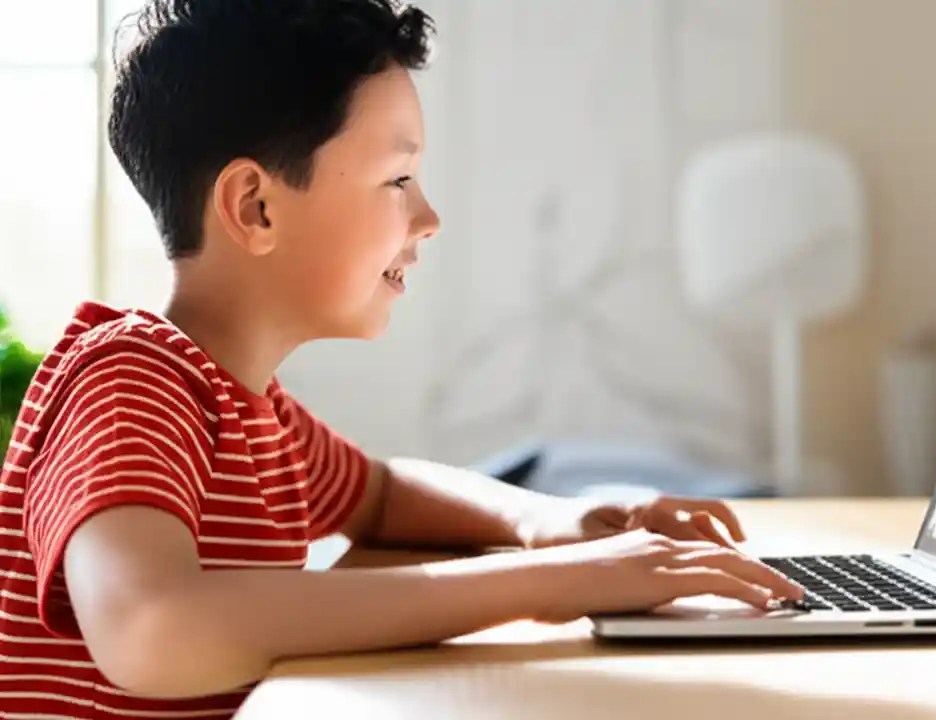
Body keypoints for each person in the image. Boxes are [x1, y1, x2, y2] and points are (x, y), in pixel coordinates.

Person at [0, 2, 803, 717]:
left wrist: (549, 523)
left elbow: (382, 494)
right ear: (256, 207)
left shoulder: (247, 407)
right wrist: (565, 583)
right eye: (399, 178)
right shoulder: (129, 382)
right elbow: (151, 631)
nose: (428, 217)